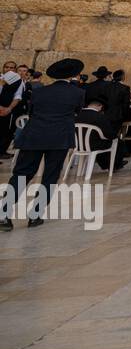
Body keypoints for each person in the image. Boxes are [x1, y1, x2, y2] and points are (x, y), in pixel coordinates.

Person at [1, 58, 85, 230]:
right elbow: (76, 111)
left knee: (21, 175)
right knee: (50, 177)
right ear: (73, 75)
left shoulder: (39, 91)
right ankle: (35, 215)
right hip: (59, 138)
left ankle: (3, 214)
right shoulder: (78, 93)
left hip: (34, 136)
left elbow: (32, 112)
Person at [0, 61, 26, 160]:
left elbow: (17, 96)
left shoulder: (18, 81)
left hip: (7, 110)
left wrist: (9, 108)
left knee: (4, 132)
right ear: (3, 68)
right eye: (7, 67)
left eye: (12, 68)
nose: (9, 70)